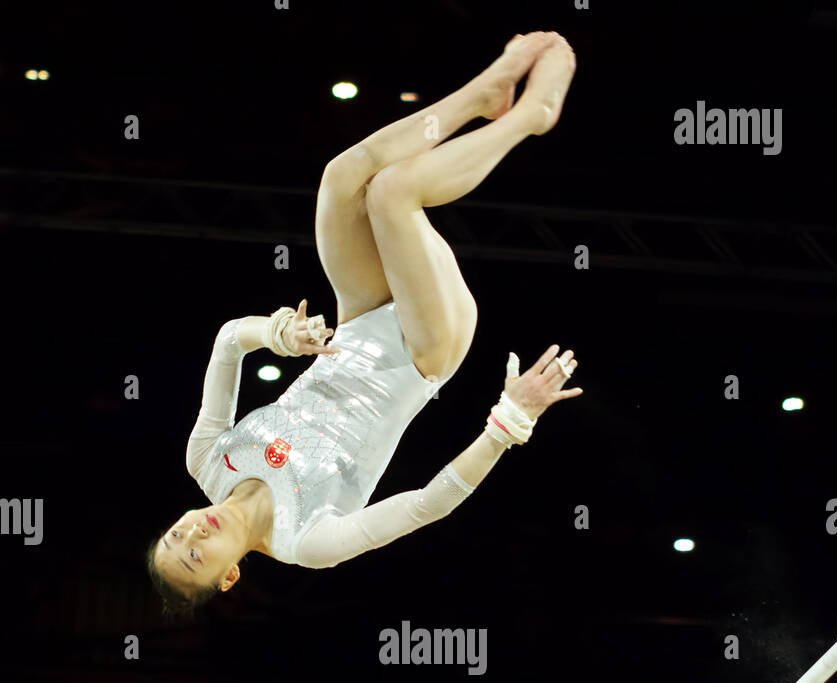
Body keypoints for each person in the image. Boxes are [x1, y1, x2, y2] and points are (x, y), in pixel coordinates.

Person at [147, 32, 582, 612]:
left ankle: (484, 94)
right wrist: (510, 422)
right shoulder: (309, 543)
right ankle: (531, 115)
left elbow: (228, 343)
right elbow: (429, 503)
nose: (195, 533)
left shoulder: (205, 461)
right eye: (197, 557)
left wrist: (277, 336)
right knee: (394, 193)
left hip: (358, 319)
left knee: (343, 177)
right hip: (424, 348)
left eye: (177, 535)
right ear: (229, 577)